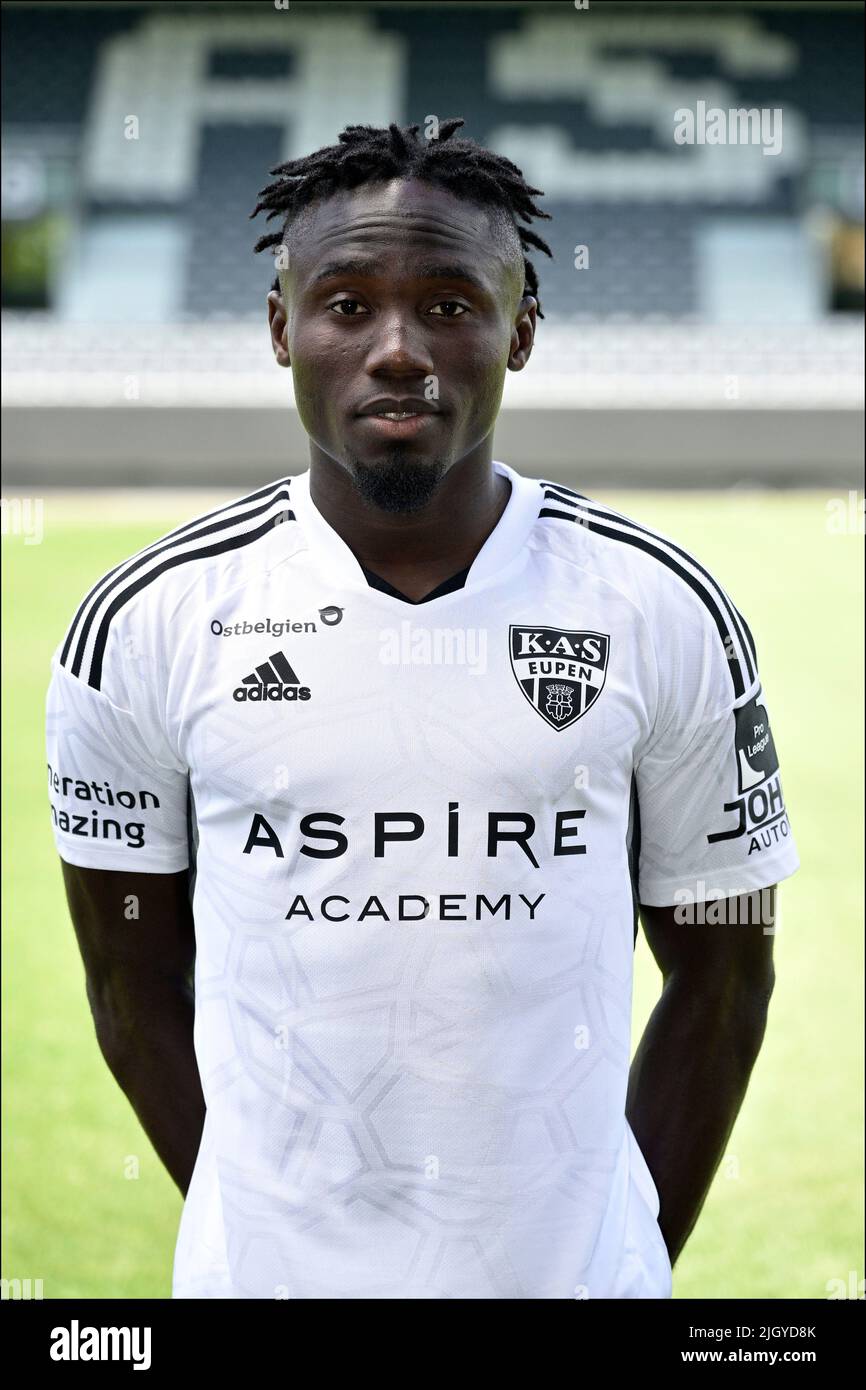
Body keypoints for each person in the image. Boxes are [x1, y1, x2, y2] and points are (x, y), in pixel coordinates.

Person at [46, 119, 799, 1299]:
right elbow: (126, 986)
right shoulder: (145, 622)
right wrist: (270, 1244)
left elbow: (726, 979)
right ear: (280, 327)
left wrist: (622, 1252)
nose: (397, 349)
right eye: (346, 303)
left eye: (450, 304)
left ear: (523, 332)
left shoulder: (663, 610)